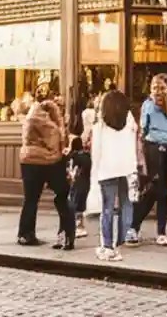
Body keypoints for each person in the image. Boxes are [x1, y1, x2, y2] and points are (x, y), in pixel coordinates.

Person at [16, 76, 74, 251]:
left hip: (28, 160)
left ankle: (25, 234)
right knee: (63, 194)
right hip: (46, 161)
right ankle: (66, 234)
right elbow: (54, 139)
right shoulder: (44, 115)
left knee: (31, 199)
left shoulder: (33, 113)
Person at [130, 73, 167, 246]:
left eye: (161, 88)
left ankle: (161, 231)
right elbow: (144, 128)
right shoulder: (148, 105)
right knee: (155, 186)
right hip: (154, 147)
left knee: (164, 190)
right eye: (154, 87)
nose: (157, 92)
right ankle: (134, 225)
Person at [91, 89, 141, 262]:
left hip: (107, 169)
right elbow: (134, 146)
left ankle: (107, 246)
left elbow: (96, 151)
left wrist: (95, 169)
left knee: (107, 208)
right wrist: (134, 167)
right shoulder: (130, 122)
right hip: (126, 168)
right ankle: (120, 242)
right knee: (126, 205)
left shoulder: (100, 125)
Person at [66, 95, 96, 239]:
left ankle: (77, 223)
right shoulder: (86, 132)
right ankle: (77, 223)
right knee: (77, 195)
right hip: (81, 171)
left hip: (81, 172)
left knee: (77, 196)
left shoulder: (89, 132)